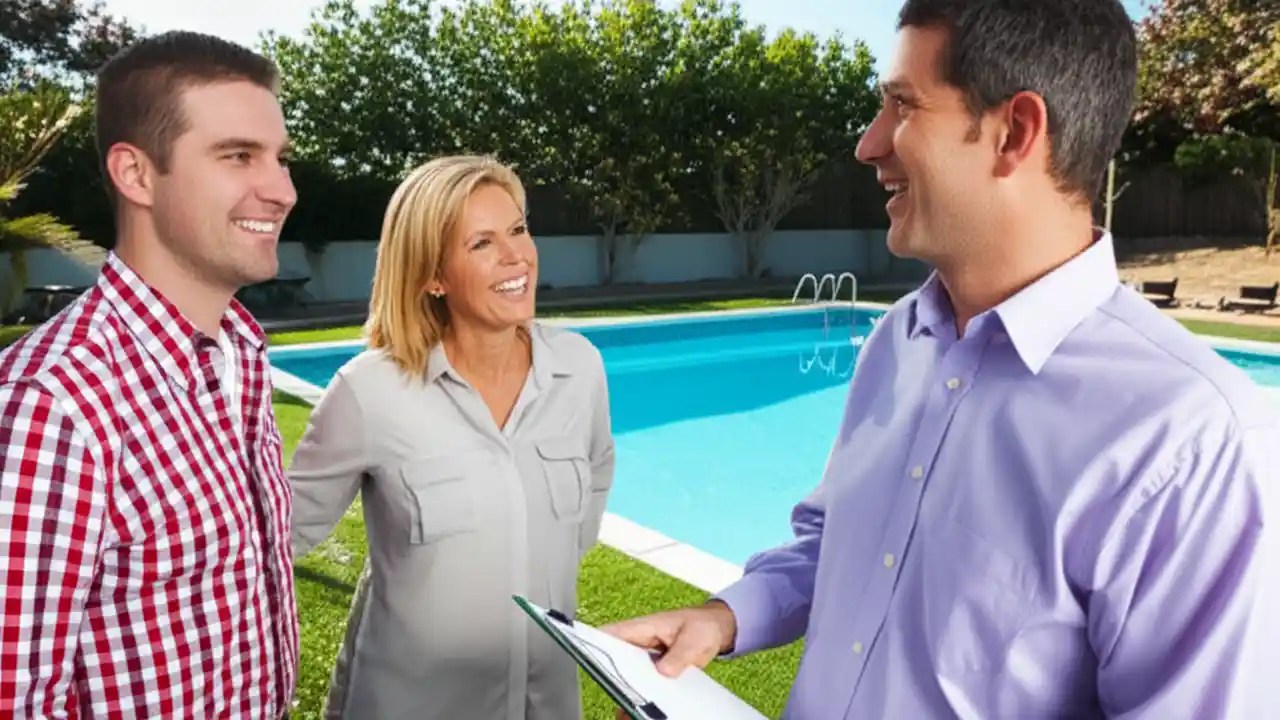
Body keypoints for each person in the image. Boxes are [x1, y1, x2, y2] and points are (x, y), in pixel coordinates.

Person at [604, 1, 1280, 717]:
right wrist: (722, 618)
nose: (869, 146)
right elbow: (839, 541)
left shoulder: (1192, 442)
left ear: (1015, 132)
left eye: (902, 106)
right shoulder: (899, 341)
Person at [0, 31, 299, 718]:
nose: (281, 189)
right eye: (237, 156)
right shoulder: (55, 405)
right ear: (136, 175)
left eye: (280, 159)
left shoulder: (237, 359)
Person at [287, 154, 615, 720]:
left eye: (517, 230)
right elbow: (274, 539)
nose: (517, 256)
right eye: (481, 243)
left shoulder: (579, 368)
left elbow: (592, 487)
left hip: (548, 704)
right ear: (433, 276)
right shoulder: (372, 391)